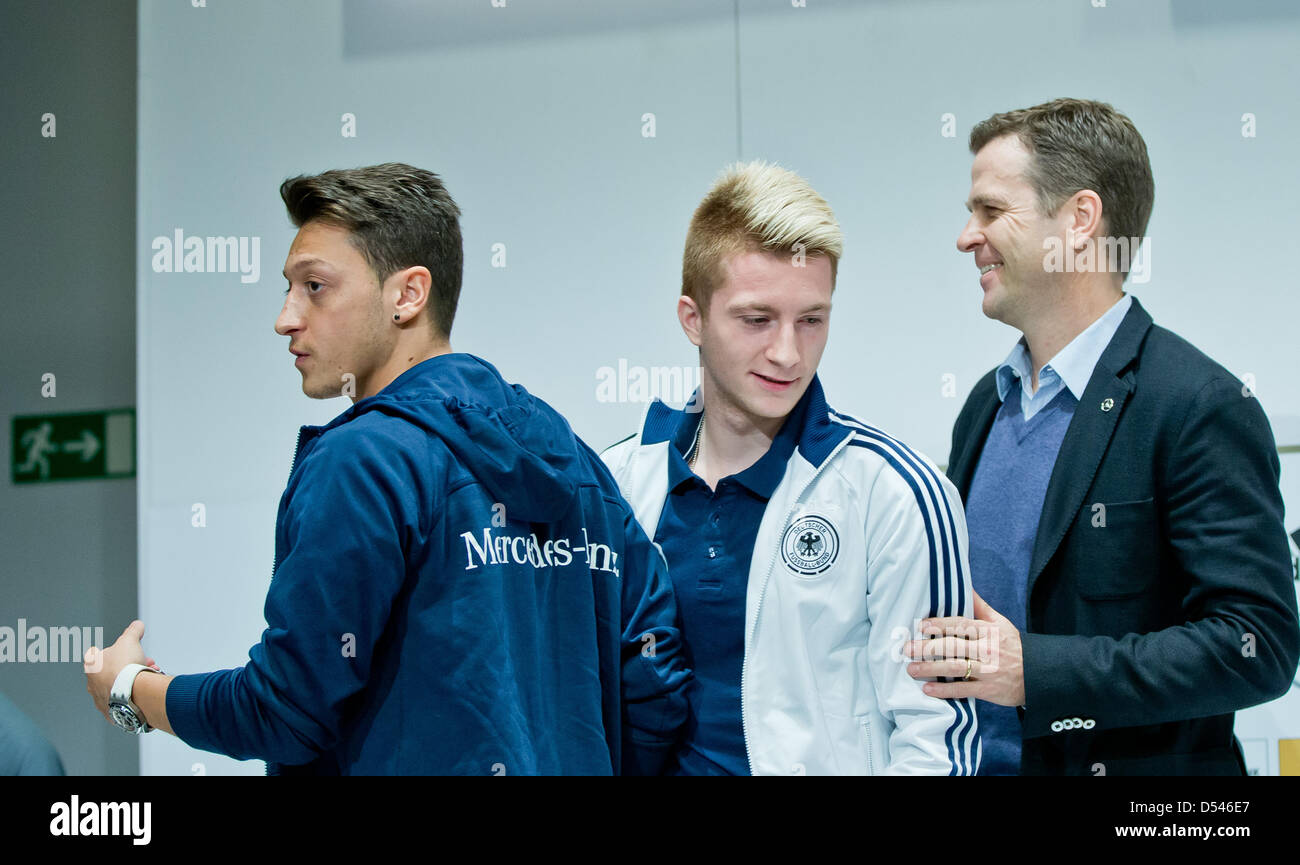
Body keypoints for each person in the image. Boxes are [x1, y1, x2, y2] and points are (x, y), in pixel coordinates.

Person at [84, 162, 690, 775]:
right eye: (288, 289)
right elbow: (656, 681)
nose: (286, 317)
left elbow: (285, 710)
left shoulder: (363, 461)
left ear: (407, 294)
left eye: (315, 286)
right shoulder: (579, 465)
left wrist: (132, 690)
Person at [906, 98, 1300, 775]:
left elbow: (1256, 644)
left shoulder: (1197, 406)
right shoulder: (983, 406)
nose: (967, 236)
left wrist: (1038, 671)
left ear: (1079, 220)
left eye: (992, 210)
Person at [602, 161, 980, 775]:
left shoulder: (898, 492)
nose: (786, 352)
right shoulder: (614, 485)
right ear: (692, 319)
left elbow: (938, 738)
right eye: (757, 319)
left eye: (811, 320)